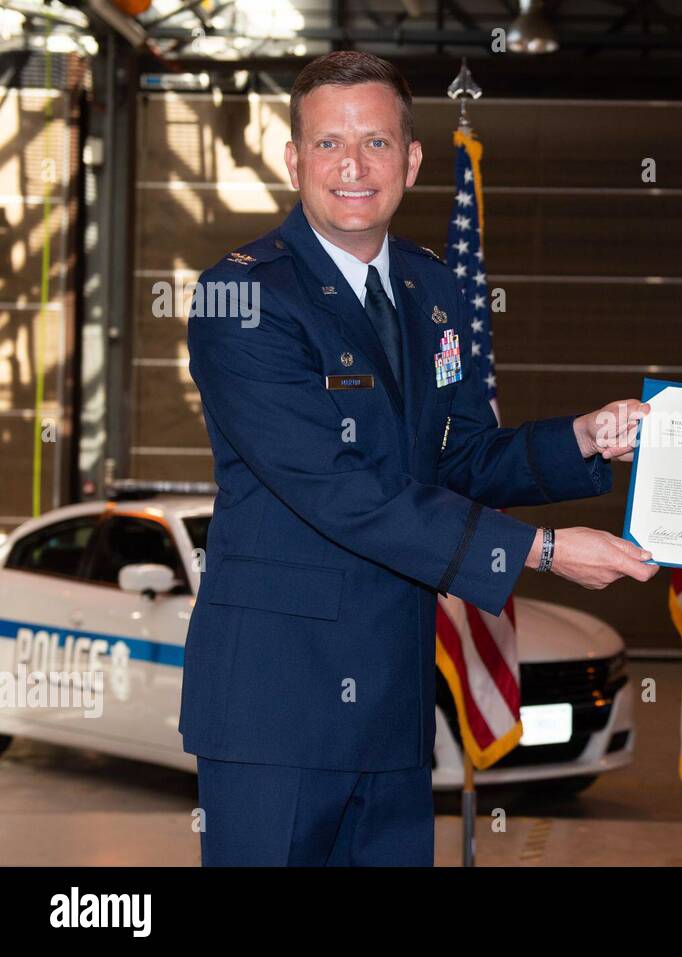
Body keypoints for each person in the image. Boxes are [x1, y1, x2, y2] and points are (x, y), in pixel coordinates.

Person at [183, 51, 655, 866]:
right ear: (294, 161)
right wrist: (540, 551)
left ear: (412, 159)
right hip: (277, 710)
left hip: (397, 702)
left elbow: (457, 453)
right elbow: (341, 492)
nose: (354, 166)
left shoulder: (431, 292)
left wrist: (581, 435)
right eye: (329, 144)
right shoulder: (244, 298)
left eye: (376, 142)